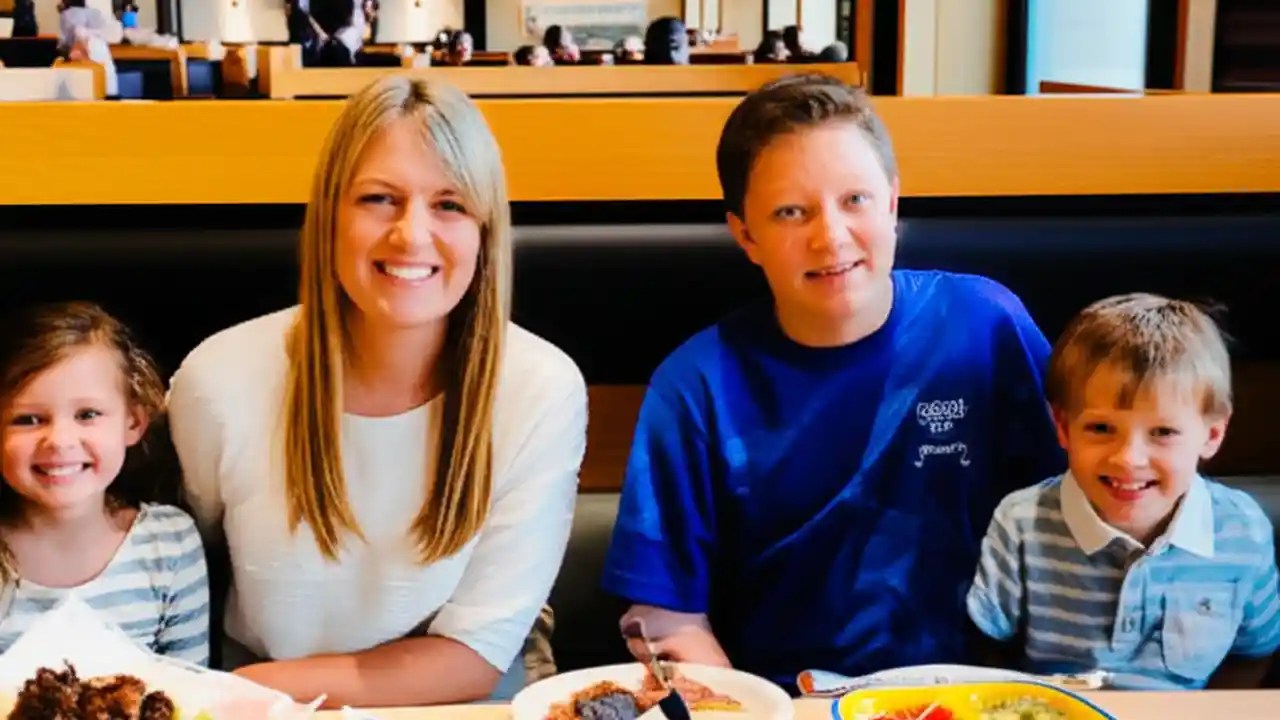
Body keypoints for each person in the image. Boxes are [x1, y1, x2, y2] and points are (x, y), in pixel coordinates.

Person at [601, 73, 1063, 692]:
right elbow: (667, 614)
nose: (831, 236)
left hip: (984, 696)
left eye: (855, 200)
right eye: (791, 212)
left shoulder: (986, 326)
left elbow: (1084, 513)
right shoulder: (694, 387)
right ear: (746, 235)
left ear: (893, 205)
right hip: (792, 701)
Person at [168, 75, 587, 708]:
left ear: (485, 230)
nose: (412, 235)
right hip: (259, 697)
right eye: (379, 199)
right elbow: (175, 566)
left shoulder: (541, 389)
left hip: (462, 699)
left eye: (449, 204)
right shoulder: (218, 379)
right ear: (329, 212)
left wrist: (228, 694)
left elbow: (473, 658)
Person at [967, 293, 1280, 690]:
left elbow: (1253, 654)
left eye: (1163, 433)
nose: (1129, 459)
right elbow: (990, 647)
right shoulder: (1021, 524)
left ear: (1212, 434)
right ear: (1063, 428)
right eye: (1101, 429)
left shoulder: (1243, 531)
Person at [0, 302, 209, 664]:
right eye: (28, 419)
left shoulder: (169, 544)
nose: (60, 441)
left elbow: (191, 695)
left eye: (87, 415)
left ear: (133, 423)